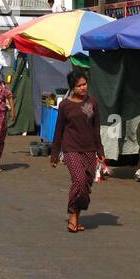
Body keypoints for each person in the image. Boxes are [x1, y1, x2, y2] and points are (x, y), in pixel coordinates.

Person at [50, 70, 104, 232]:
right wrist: (54, 153)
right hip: (71, 148)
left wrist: (99, 149)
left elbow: (95, 127)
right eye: (79, 85)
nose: (83, 88)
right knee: (79, 180)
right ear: (72, 87)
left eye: (84, 84)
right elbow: (59, 130)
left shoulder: (90, 104)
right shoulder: (65, 105)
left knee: (85, 186)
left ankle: (76, 217)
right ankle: (72, 214)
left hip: (89, 149)